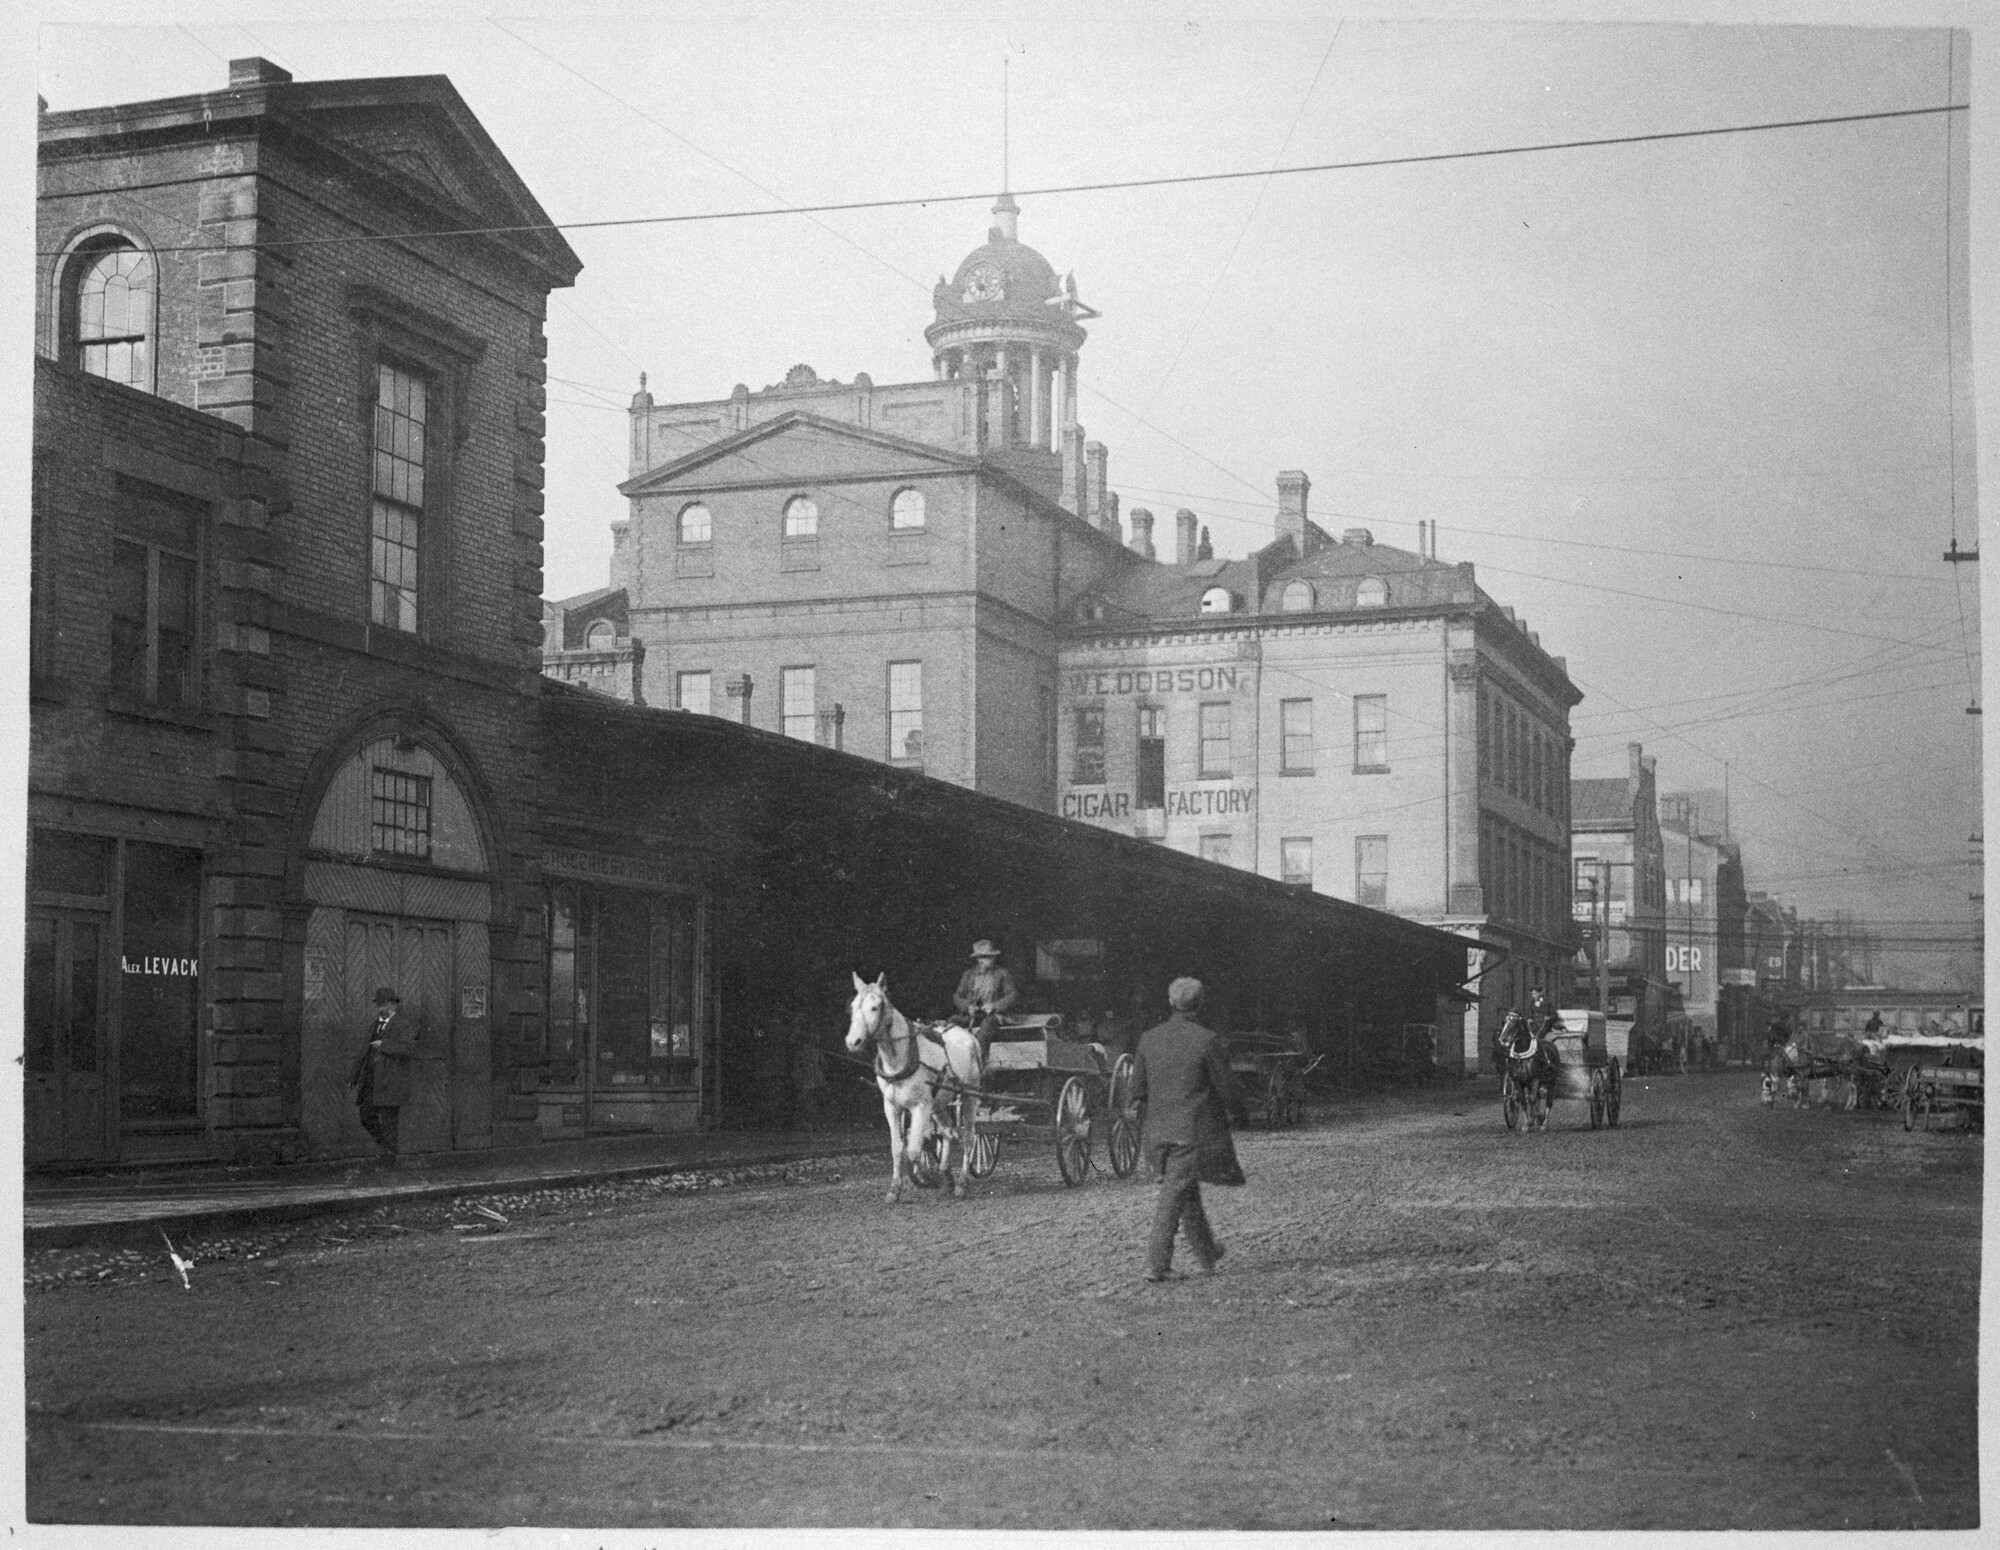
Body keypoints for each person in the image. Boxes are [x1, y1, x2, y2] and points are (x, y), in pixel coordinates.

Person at [1131, 977, 1244, 1283]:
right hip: (1191, 1133)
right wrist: (1240, 1114)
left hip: (1156, 1134)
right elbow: (1228, 1089)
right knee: (1174, 1193)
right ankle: (1157, 1265)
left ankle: (1208, 1253)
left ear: (1170, 1002)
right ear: (1199, 1004)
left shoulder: (1148, 1038)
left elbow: (1137, 1090)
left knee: (1185, 1189)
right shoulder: (1207, 1039)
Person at [349, 986, 423, 1166]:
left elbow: (409, 1049)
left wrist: (384, 1044)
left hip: (391, 1080)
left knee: (390, 1123)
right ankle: (386, 1147)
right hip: (371, 1080)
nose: (381, 1009)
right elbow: (363, 1051)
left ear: (393, 1005)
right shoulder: (374, 1025)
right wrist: (354, 1075)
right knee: (366, 1117)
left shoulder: (404, 1025)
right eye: (379, 1005)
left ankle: (389, 1160)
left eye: (384, 1005)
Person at [952, 939, 1020, 1063]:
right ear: (978, 959)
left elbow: (1012, 995)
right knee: (952, 1023)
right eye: (985, 957)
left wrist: (995, 1006)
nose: (989, 960)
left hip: (994, 1016)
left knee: (987, 1025)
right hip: (973, 1015)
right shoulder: (968, 975)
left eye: (991, 957)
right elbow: (957, 996)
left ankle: (977, 1061)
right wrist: (968, 1007)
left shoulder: (1002, 974)